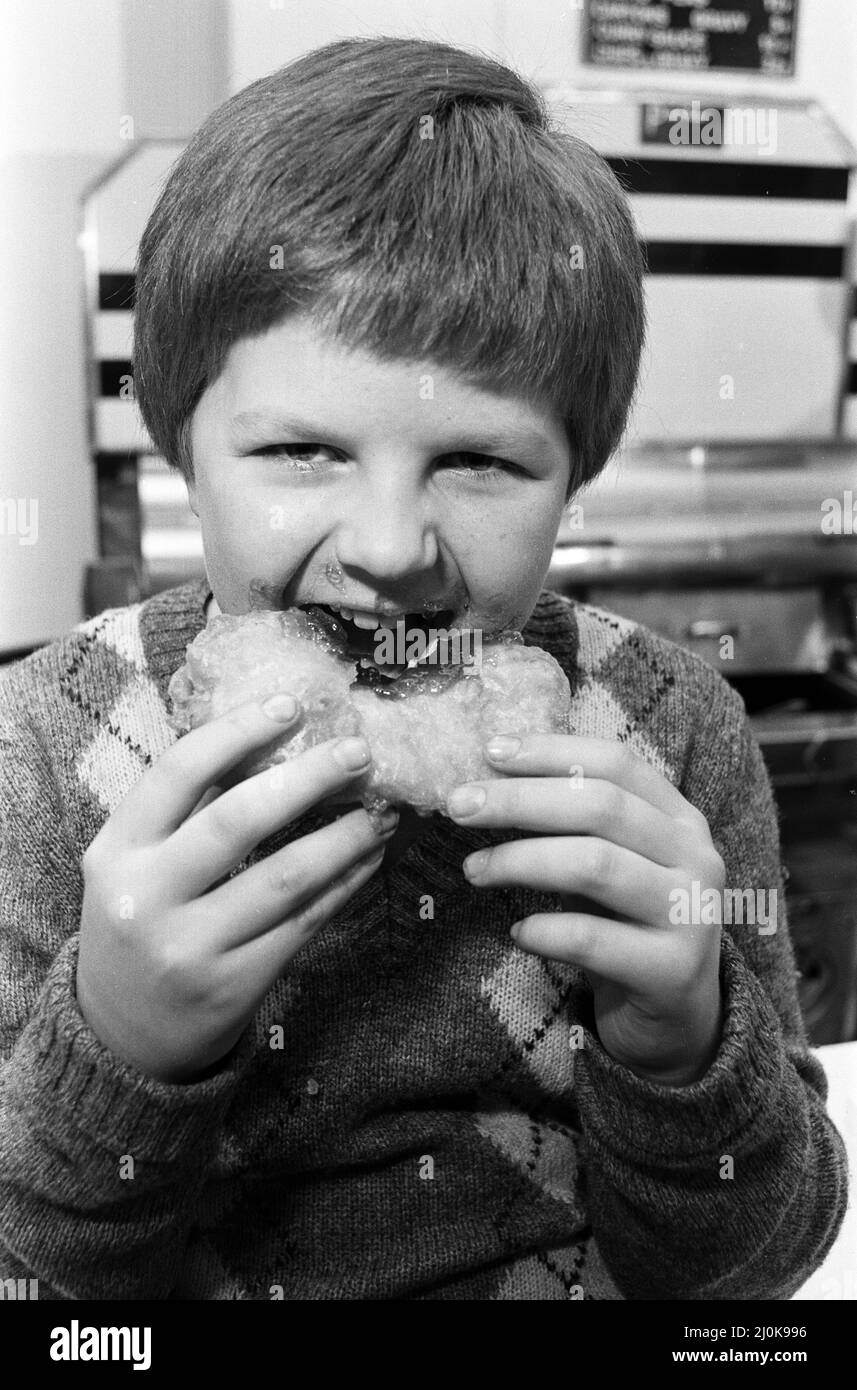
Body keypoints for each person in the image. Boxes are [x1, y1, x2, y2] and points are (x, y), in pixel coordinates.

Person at [0, 36, 846, 1300]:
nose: (391, 547)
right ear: (181, 441)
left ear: (575, 472)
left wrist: (680, 1046)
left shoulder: (670, 731)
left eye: (481, 461)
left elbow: (746, 1274)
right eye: (301, 450)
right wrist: (119, 1050)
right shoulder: (42, 745)